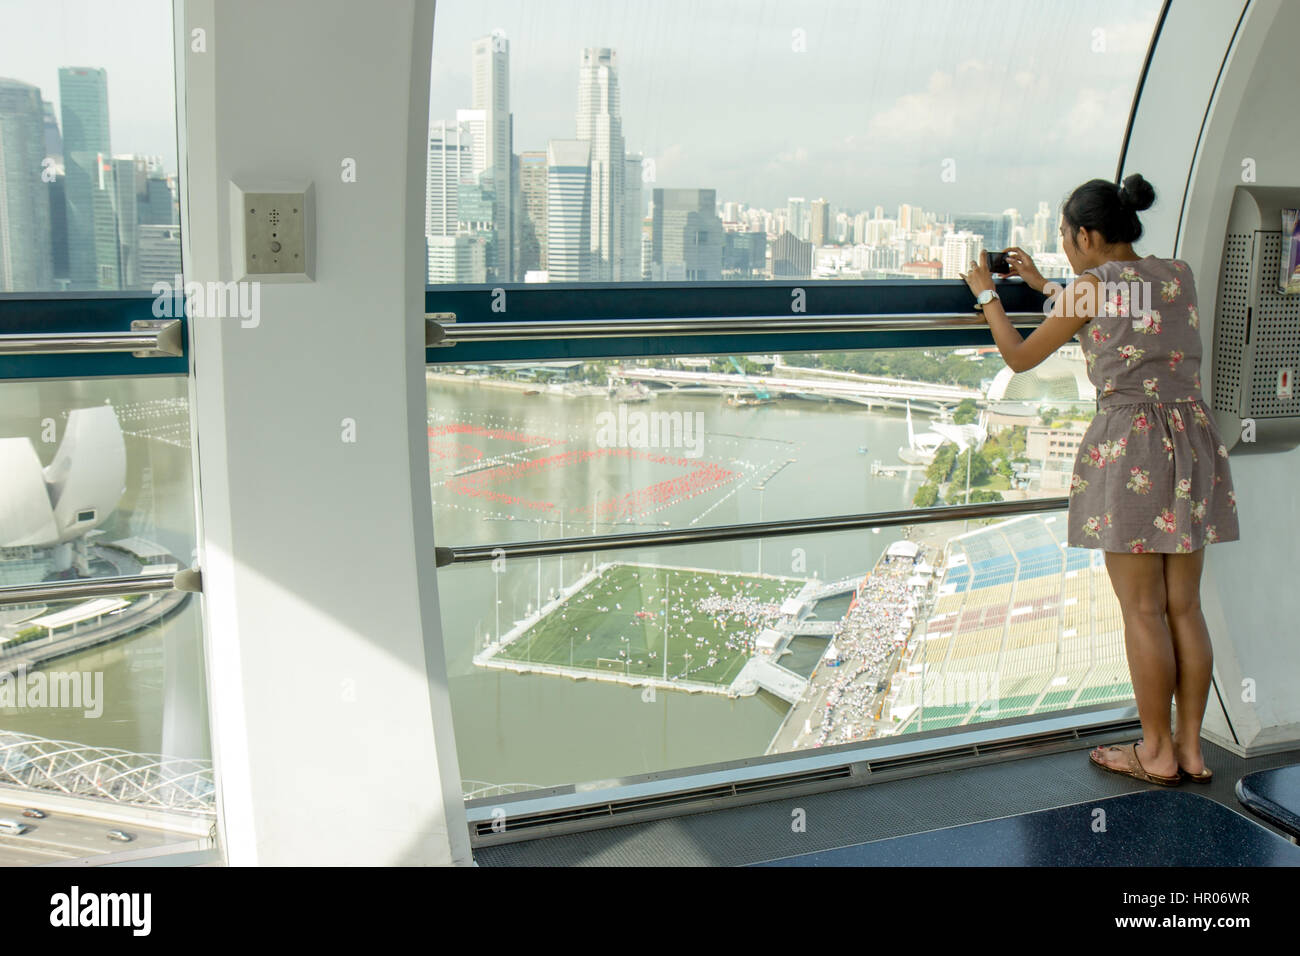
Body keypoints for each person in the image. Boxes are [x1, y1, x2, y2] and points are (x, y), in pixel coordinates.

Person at [959, 173, 1240, 787]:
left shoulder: (1088, 289)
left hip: (1133, 446)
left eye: (1066, 236)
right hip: (1190, 439)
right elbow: (1126, 304)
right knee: (1184, 607)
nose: (1065, 247)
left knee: (1142, 610)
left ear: (1086, 235)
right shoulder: (1177, 274)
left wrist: (988, 295)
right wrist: (1045, 287)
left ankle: (1155, 752)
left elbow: (1021, 357)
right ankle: (1190, 750)